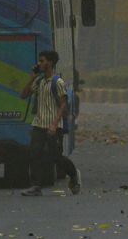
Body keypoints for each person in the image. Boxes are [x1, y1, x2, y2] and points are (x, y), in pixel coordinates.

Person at [19, 50, 81, 196]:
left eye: (42, 61)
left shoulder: (57, 82)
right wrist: (31, 79)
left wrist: (54, 124)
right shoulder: (39, 81)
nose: (39, 64)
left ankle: (73, 175)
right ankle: (36, 186)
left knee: (55, 157)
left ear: (50, 63)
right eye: (39, 61)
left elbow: (63, 105)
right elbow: (23, 95)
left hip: (53, 126)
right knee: (34, 154)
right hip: (39, 124)